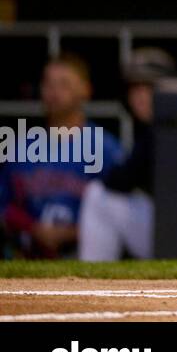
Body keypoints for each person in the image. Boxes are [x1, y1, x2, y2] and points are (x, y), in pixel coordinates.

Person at [0, 53, 123, 258]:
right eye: (48, 84)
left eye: (64, 84)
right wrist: (34, 229)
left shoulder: (106, 148)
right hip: (27, 252)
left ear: (85, 90)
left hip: (86, 253)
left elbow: (121, 213)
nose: (54, 92)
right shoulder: (22, 148)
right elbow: (5, 205)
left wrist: (71, 233)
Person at [76, 48, 175, 261]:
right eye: (135, 89)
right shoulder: (152, 131)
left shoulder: (173, 130)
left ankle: (93, 277)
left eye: (148, 88)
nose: (140, 97)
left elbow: (120, 180)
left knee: (97, 194)